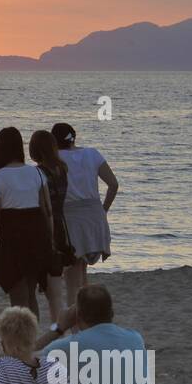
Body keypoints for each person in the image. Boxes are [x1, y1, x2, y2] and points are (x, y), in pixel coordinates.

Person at [38, 285, 152, 384]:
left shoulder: (62, 348)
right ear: (111, 313)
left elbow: (26, 357)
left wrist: (58, 328)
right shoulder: (136, 338)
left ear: (77, 315)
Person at [0, 128, 54, 314]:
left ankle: (23, 341)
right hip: (37, 238)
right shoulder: (36, 174)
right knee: (30, 295)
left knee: (18, 300)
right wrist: (50, 241)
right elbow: (47, 211)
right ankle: (31, 339)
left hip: (12, 242)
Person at [51, 122, 118, 307]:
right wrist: (103, 211)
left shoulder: (55, 159)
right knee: (81, 272)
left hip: (70, 218)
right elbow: (113, 184)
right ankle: (88, 317)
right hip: (94, 216)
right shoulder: (92, 154)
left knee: (72, 278)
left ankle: (76, 326)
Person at [30, 129, 76, 324]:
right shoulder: (62, 169)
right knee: (56, 294)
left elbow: (39, 205)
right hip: (62, 228)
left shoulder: (38, 173)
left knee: (48, 291)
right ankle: (62, 332)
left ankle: (57, 332)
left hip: (45, 230)